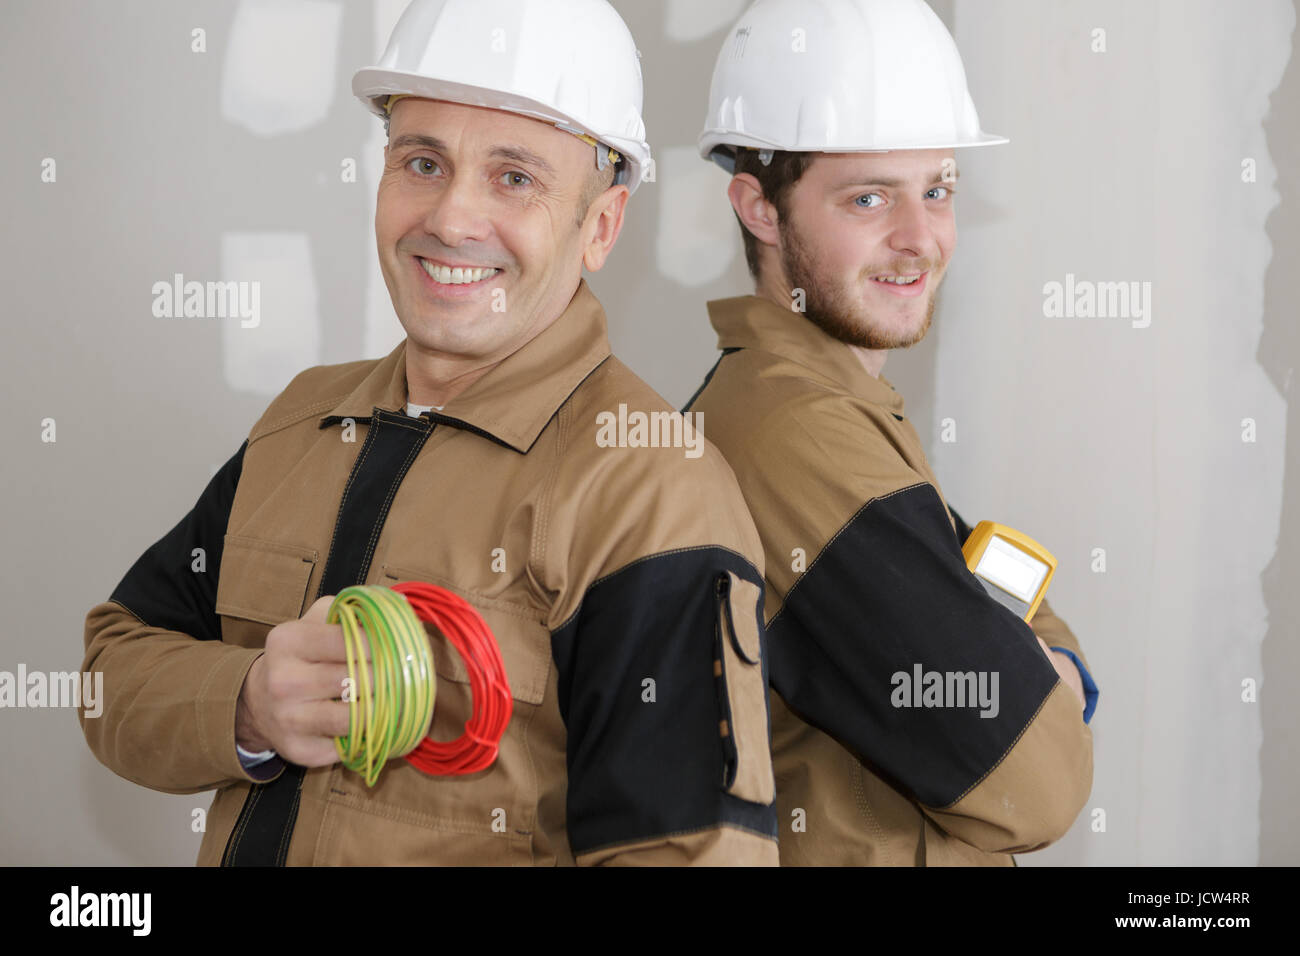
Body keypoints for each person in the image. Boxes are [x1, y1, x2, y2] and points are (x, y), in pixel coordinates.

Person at [79, 0, 778, 866]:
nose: (451, 219)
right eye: (422, 162)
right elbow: (113, 672)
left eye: (514, 178)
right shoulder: (302, 424)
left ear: (600, 227)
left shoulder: (649, 487)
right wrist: (249, 703)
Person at [686, 0, 1099, 865]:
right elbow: (1038, 781)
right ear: (759, 208)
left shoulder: (832, 406)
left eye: (938, 191)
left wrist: (1042, 661)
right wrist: (1044, 678)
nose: (920, 240)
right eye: (869, 197)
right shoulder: (796, 432)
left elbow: (1021, 608)